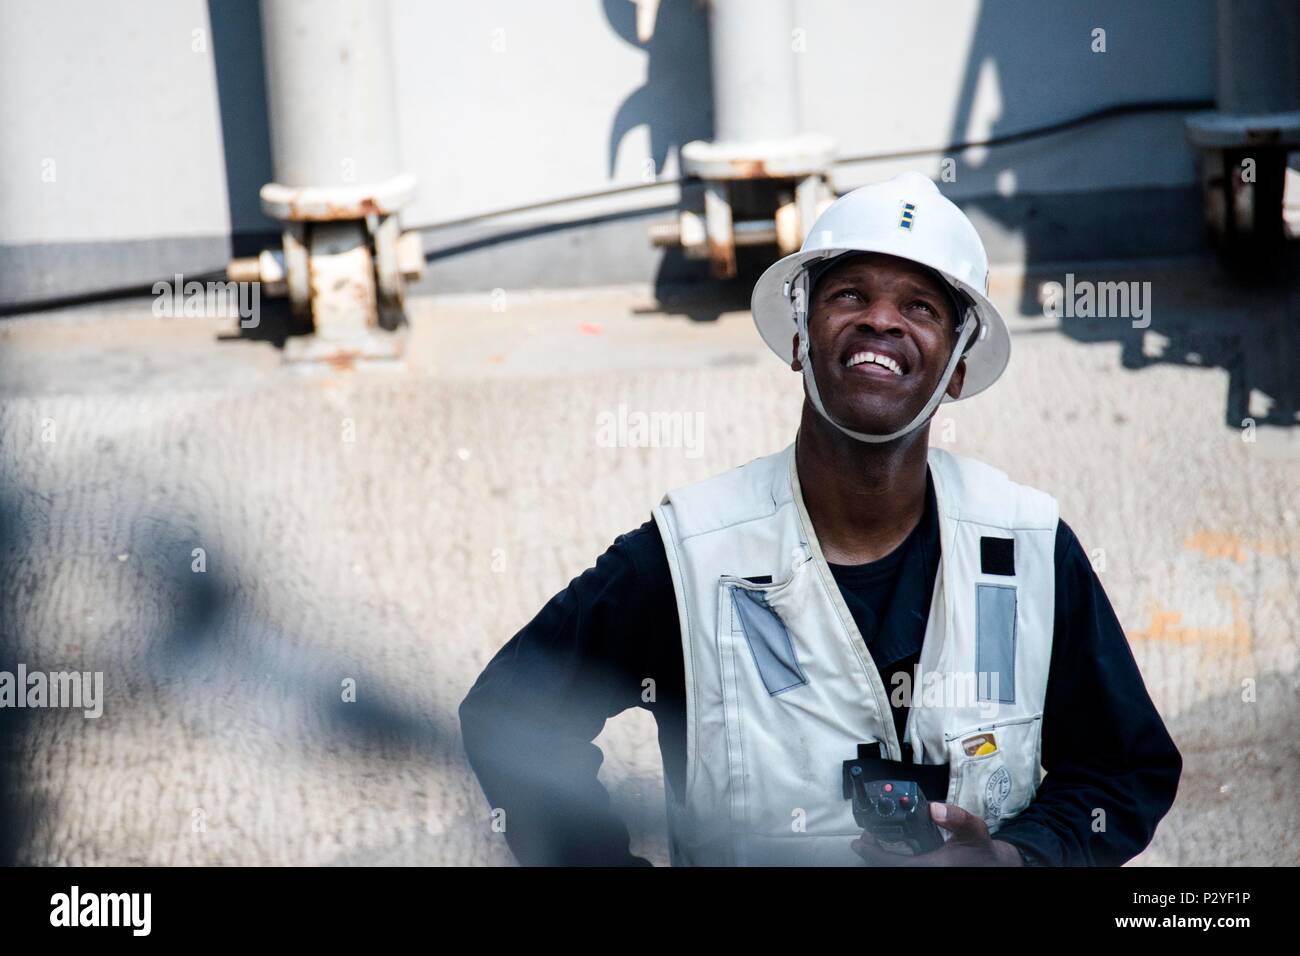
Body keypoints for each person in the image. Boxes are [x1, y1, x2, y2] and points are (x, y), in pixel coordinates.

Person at [459, 171, 1183, 866]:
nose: (881, 320)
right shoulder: (693, 555)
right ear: (801, 335)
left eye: (921, 308)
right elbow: (510, 716)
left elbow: (1124, 768)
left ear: (958, 368)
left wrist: (1017, 856)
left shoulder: (1027, 547)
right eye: (850, 294)